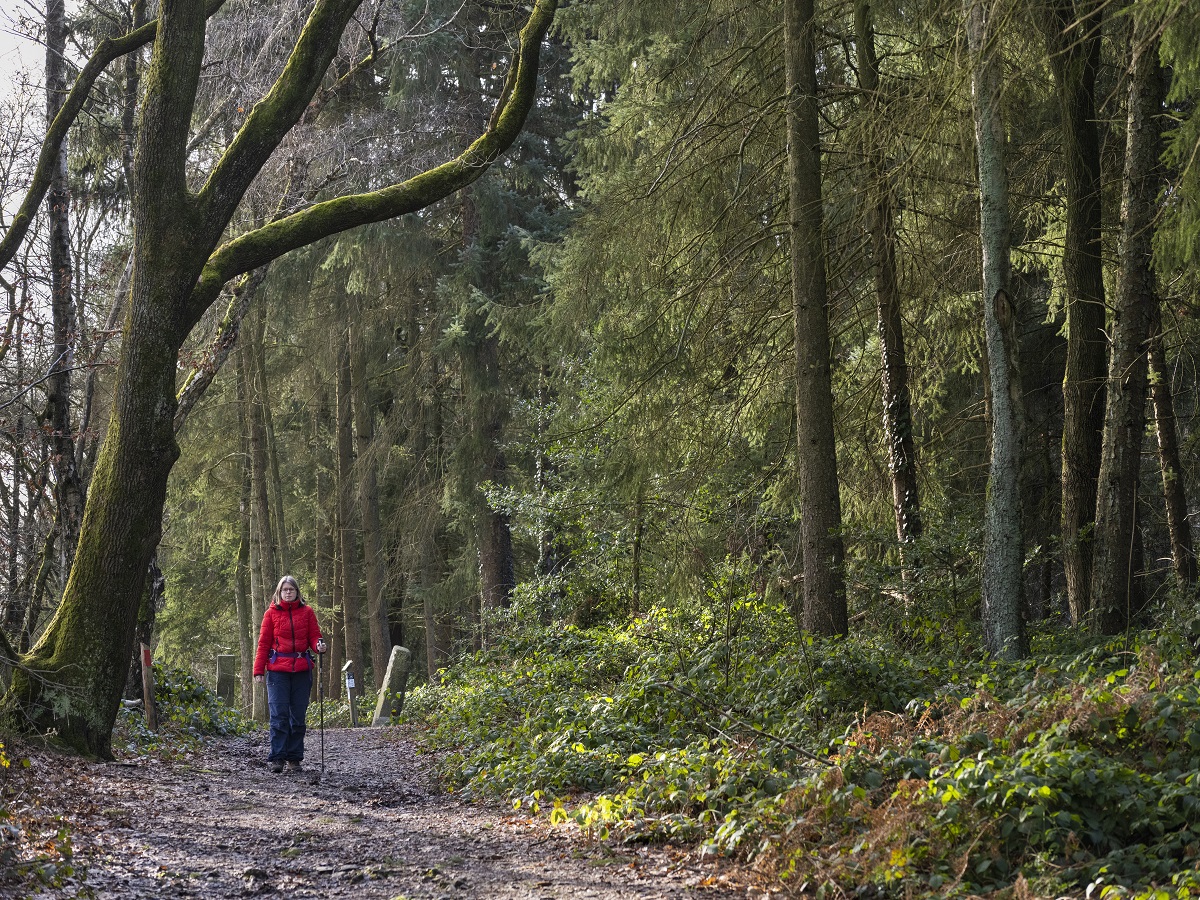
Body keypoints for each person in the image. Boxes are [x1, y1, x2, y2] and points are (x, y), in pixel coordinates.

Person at [253, 575, 327, 774]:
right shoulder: (271, 614)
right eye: (284, 590)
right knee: (279, 715)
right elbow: (263, 644)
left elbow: (314, 636)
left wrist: (319, 645)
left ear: (297, 592)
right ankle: (277, 757)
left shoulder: (307, 612)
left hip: (302, 670)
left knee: (298, 716)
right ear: (279, 592)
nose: (288, 592)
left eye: (291, 590)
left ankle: (294, 758)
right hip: (277, 672)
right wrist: (258, 670)